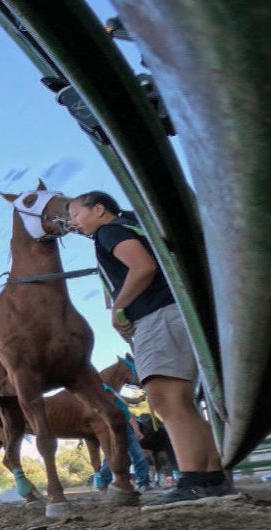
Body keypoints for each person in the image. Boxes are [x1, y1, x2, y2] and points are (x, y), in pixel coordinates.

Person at [68, 191, 233, 508]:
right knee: (180, 402)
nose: (72, 222)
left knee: (165, 399)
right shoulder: (131, 224)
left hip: (157, 316)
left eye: (76, 214)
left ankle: (194, 481)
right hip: (173, 313)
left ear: (100, 210)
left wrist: (118, 308)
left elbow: (142, 268)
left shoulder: (109, 230)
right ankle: (211, 479)